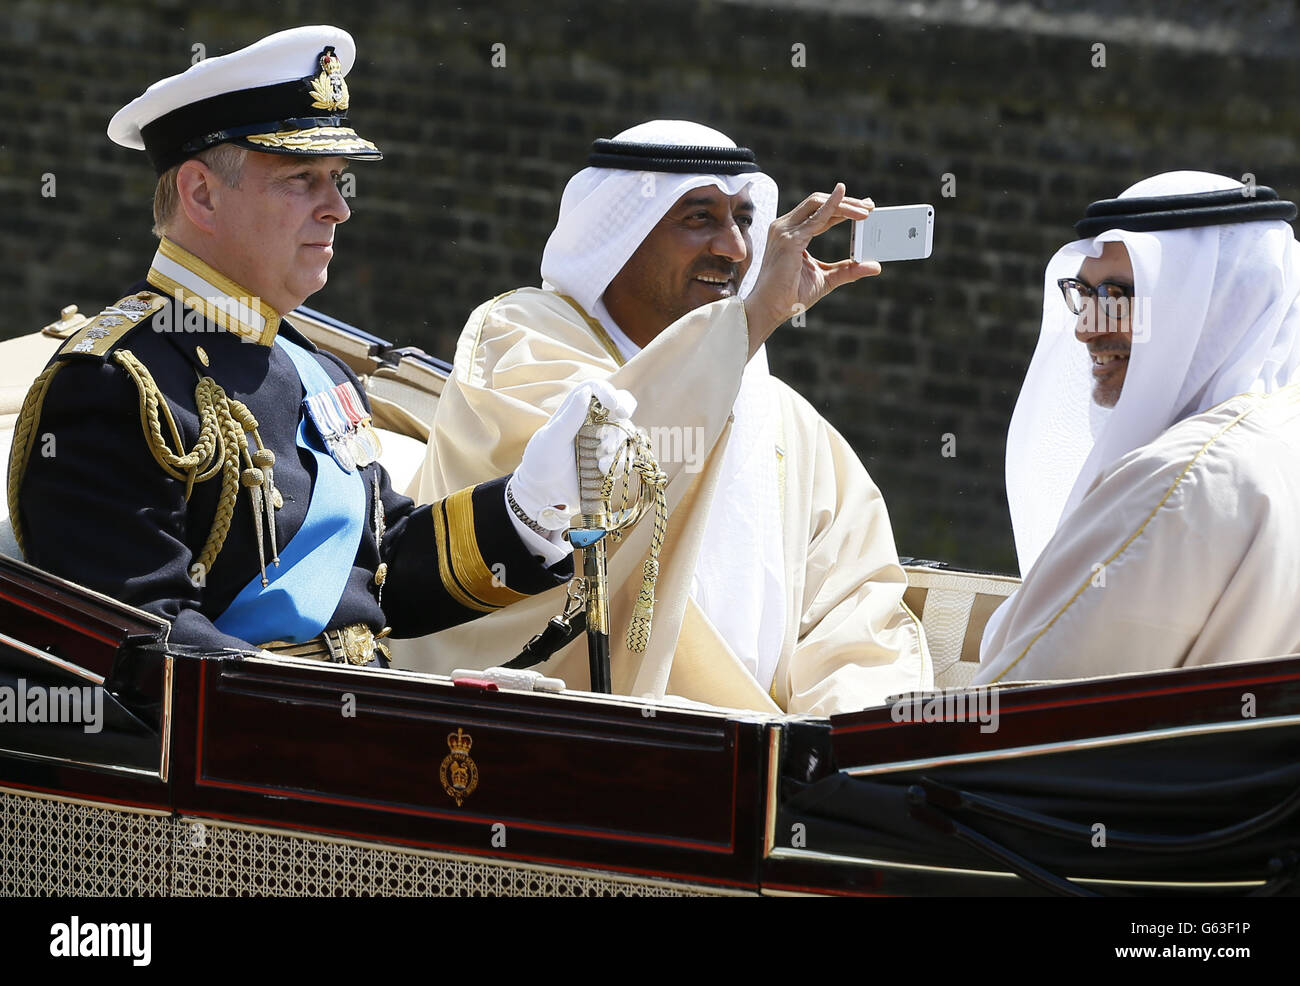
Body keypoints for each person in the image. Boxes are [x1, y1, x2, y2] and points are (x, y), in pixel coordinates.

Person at [7, 26, 634, 668]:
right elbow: (132, 635)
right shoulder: (113, 380)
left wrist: (526, 509)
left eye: (336, 178)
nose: (338, 207)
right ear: (200, 194)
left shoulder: (316, 369)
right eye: (302, 178)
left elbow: (380, 571)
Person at [405, 120, 930, 715]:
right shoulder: (521, 337)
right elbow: (603, 478)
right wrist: (752, 319)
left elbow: (856, 608)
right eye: (699, 218)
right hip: (572, 738)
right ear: (618, 235)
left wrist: (848, 735)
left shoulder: (786, 419)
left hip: (757, 755)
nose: (733, 248)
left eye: (743, 220)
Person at [976, 171, 1300, 683]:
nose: (1086, 327)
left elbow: (1009, 710)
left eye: (1119, 295)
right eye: (1082, 292)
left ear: (1216, 306)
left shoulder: (1184, 479)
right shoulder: (1282, 431)